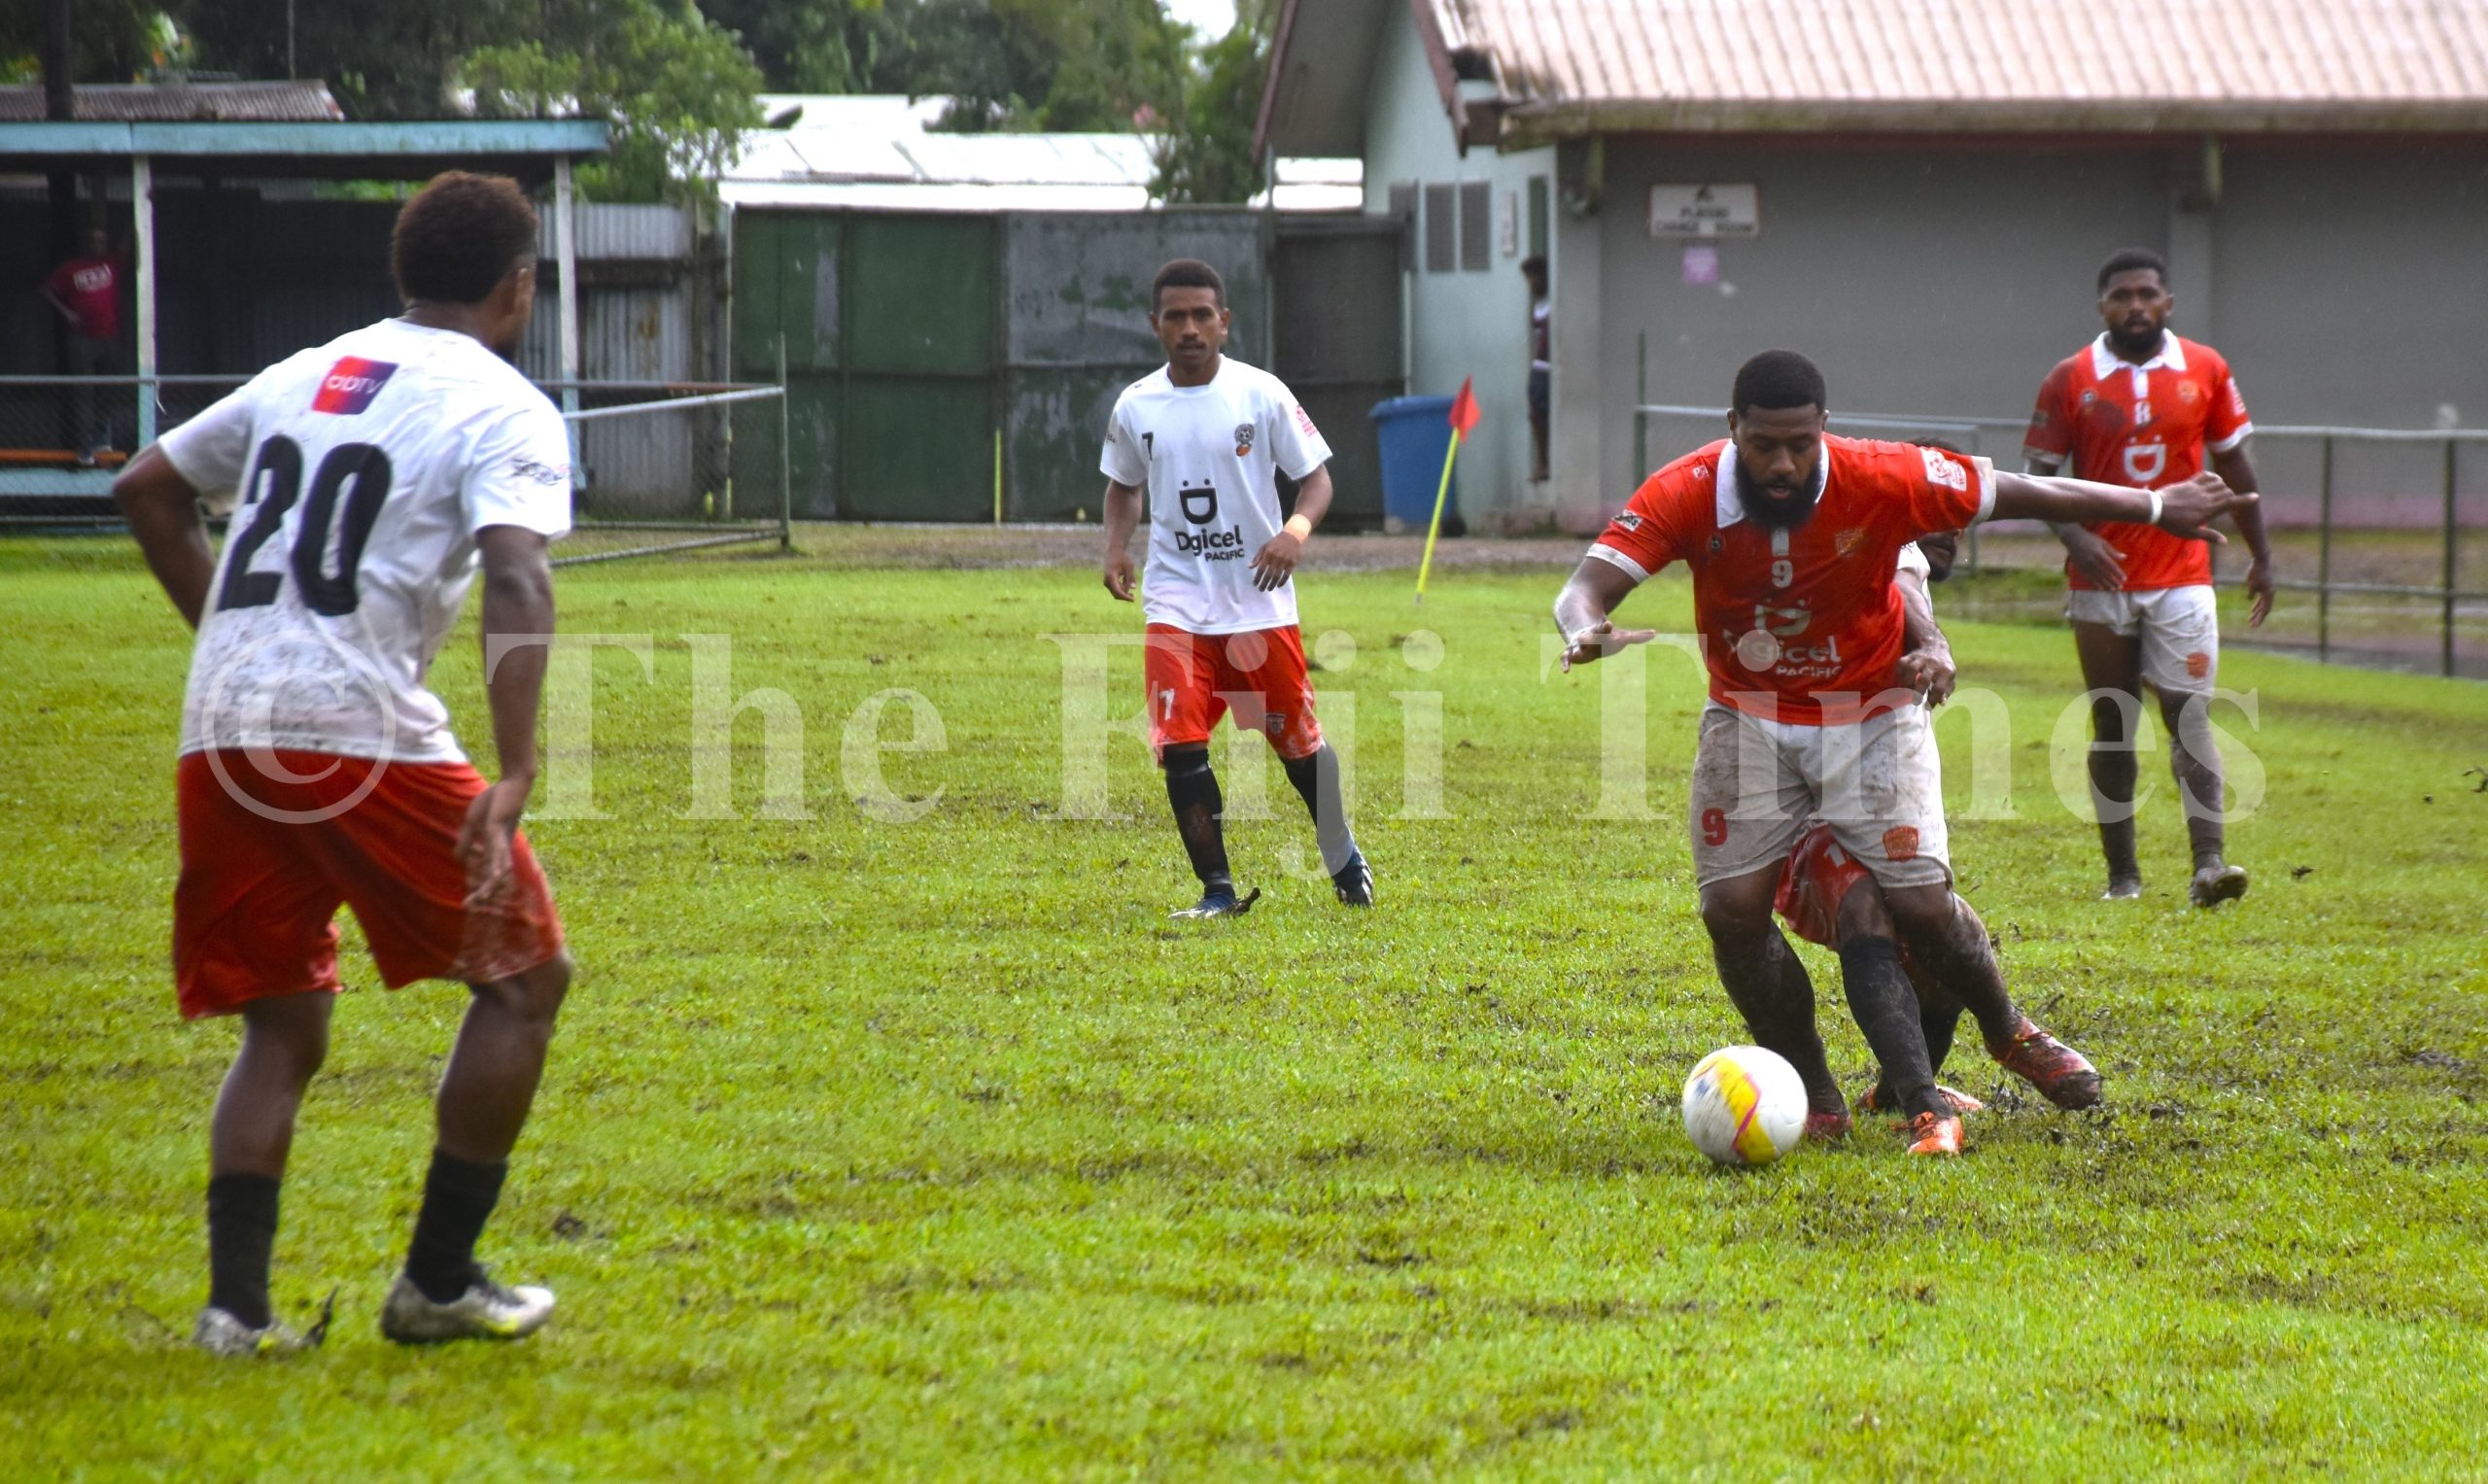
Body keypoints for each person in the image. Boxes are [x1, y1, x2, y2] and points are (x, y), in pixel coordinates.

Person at [1551, 351, 2256, 1155]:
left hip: (1873, 712)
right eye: (1761, 445)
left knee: (1920, 902)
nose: (1780, 464)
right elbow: (1584, 587)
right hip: (1748, 715)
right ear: (1731, 432)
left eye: (1798, 444)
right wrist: (1582, 628)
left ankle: (2009, 1032)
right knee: (1730, 910)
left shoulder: (1883, 475)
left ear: (1824, 430)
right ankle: (1814, 1092)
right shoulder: (1686, 489)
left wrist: (2158, 504)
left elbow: (2024, 491)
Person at [113, 172, 576, 1355]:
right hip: (355, 726)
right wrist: (516, 769)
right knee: (524, 979)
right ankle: (437, 1280)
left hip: (223, 724)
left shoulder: (306, 370)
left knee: (281, 1026)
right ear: (517, 287)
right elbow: (518, 575)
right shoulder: (504, 402)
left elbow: (149, 488)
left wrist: (236, 640)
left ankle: (237, 1313)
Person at [1099, 258, 1372, 918]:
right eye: (1175, 317)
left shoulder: (1262, 394)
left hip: (1258, 606)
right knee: (1180, 747)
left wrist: (1296, 532)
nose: (1189, 328)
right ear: (1155, 326)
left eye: (1202, 315)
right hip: (1175, 607)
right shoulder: (1137, 405)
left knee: (1301, 747)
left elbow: (1317, 479)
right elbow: (1124, 486)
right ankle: (1217, 890)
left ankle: (1340, 851)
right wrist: (1115, 547)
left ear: (1224, 323)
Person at [2024, 248, 2275, 907]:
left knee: (2189, 720)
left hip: (2184, 577)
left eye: (2147, 294)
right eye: (2121, 296)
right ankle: (2123, 878)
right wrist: (2079, 540)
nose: (2135, 306)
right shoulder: (2069, 376)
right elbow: (2038, 479)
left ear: (2167, 302)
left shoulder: (2206, 368)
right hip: (2100, 580)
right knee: (2113, 720)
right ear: (2102, 306)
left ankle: (2209, 867)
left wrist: (2262, 554)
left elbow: (2235, 467)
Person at [43, 225, 127, 465]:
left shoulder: (111, 263)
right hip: (82, 339)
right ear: (86, 243)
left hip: (109, 338)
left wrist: (131, 228)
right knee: (82, 391)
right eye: (92, 240)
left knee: (107, 389)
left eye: (100, 240)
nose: (96, 244)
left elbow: (127, 247)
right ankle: (82, 444)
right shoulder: (72, 268)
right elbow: (47, 289)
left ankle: (100, 438)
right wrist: (67, 312)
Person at [1521, 255, 1551, 483]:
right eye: (1528, 277)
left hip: (1550, 367)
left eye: (1534, 276)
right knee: (1535, 415)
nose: (1531, 282)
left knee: (1544, 414)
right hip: (1538, 367)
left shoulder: (1553, 303)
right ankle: (1542, 462)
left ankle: (1545, 464)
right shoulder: (1536, 305)